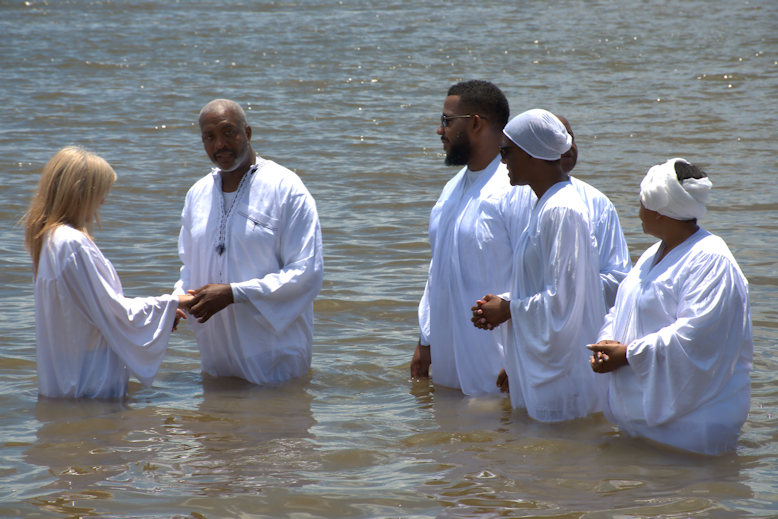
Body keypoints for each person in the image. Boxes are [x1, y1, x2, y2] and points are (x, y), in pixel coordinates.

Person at [588, 158, 752, 455]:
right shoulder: (655, 253)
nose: (638, 212)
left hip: (692, 425)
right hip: (644, 419)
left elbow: (698, 338)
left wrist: (627, 355)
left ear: (661, 212)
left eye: (642, 204)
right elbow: (624, 306)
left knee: (688, 498)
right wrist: (607, 340)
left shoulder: (711, 260)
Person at [174, 99, 323, 385]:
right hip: (216, 356)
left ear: (248, 133)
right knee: (215, 426)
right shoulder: (197, 194)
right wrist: (176, 304)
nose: (220, 145)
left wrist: (235, 293)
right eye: (209, 137)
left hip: (274, 357)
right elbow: (189, 267)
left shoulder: (286, 188)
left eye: (228, 132)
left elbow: (307, 272)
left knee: (274, 425)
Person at [24, 146, 192, 399]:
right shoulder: (72, 244)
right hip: (89, 382)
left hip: (65, 374)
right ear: (80, 194)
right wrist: (172, 304)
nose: (103, 200)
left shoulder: (49, 239)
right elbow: (113, 312)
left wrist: (163, 315)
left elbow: (95, 308)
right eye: (100, 192)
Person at [471, 109, 605, 422]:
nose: (502, 161)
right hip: (546, 372)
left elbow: (563, 302)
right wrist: (505, 302)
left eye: (506, 152)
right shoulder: (546, 205)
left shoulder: (562, 211)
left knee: (560, 467)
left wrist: (508, 310)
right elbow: (547, 288)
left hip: (561, 378)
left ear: (532, 155)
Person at [410, 80, 534, 395]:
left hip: (496, 364)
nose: (440, 131)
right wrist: (425, 340)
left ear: (476, 123)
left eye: (446, 121)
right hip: (448, 361)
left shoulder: (514, 189)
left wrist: (524, 358)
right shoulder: (451, 188)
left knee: (498, 437)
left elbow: (536, 275)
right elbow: (437, 269)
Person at [556, 115, 630, 308]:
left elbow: (618, 278)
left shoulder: (597, 203)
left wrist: (564, 290)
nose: (568, 144)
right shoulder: (510, 199)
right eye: (558, 136)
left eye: (570, 136)